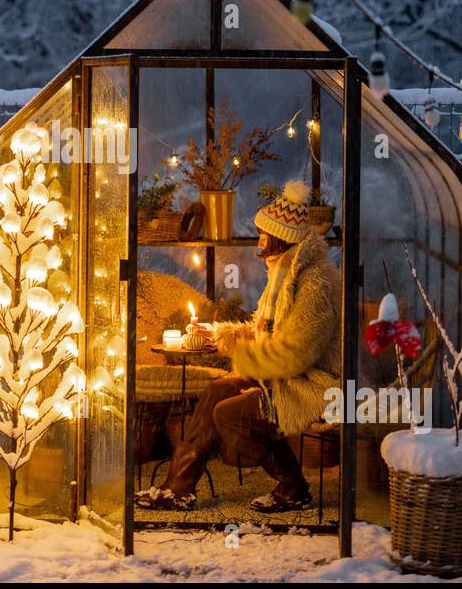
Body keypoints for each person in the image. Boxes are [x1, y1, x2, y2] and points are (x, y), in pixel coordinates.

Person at [136, 179, 340, 512]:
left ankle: (293, 486)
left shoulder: (314, 282)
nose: (259, 240)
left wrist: (242, 356)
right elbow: (266, 334)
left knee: (228, 414)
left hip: (310, 384)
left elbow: (296, 354)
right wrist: (219, 334)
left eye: (263, 234)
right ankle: (179, 488)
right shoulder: (283, 273)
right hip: (279, 375)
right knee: (216, 391)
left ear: (279, 238)